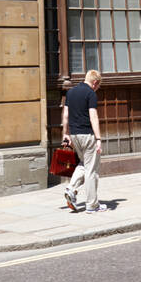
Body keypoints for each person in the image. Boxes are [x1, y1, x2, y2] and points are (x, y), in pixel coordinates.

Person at [61, 70, 107, 212]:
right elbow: (93, 117)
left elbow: (66, 115)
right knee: (91, 170)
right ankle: (92, 205)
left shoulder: (71, 92)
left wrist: (65, 134)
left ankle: (71, 188)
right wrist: (98, 138)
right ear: (95, 82)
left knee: (84, 164)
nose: (97, 88)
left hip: (75, 135)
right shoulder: (90, 94)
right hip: (87, 135)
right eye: (98, 86)